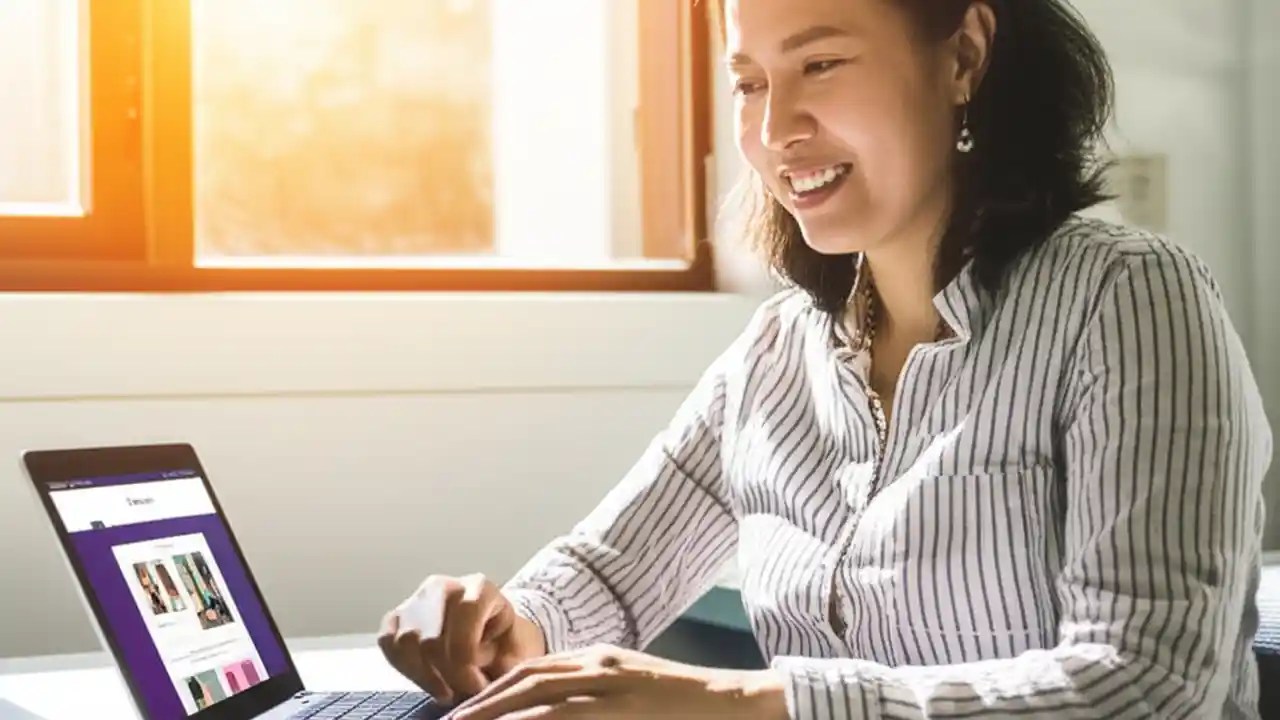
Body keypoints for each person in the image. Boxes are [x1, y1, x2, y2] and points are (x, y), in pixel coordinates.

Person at [379, 0, 1273, 717]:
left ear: (963, 55)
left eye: (820, 65)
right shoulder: (777, 349)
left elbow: (1151, 684)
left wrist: (745, 701)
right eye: (747, 81)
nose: (775, 129)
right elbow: (610, 574)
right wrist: (506, 628)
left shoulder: (1130, 297)